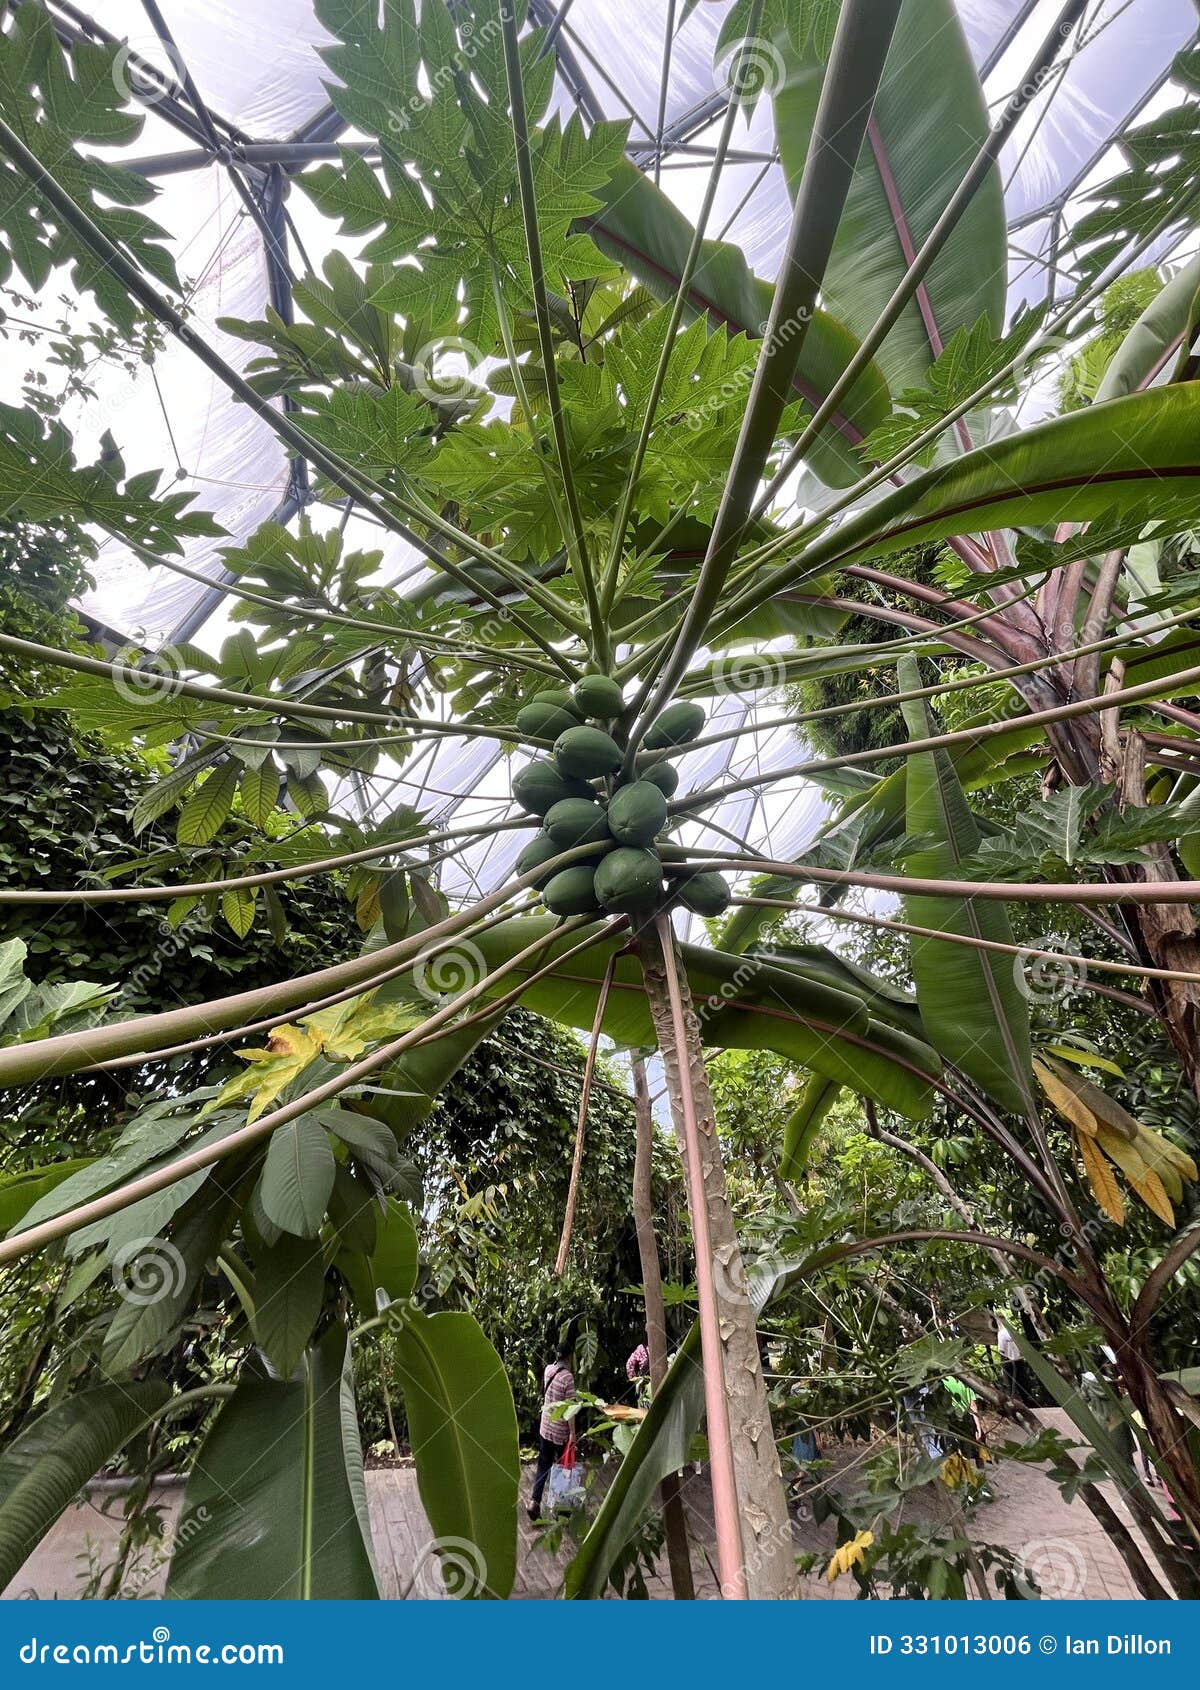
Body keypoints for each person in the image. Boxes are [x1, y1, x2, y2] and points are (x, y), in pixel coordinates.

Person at [529, 1335, 575, 1520]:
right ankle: (560, 1509)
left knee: (543, 1465)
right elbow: (569, 1410)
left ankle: (534, 1502)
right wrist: (573, 1433)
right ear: (569, 1356)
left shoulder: (549, 1370)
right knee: (562, 1468)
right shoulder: (568, 1378)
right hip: (560, 1432)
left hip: (545, 1427)